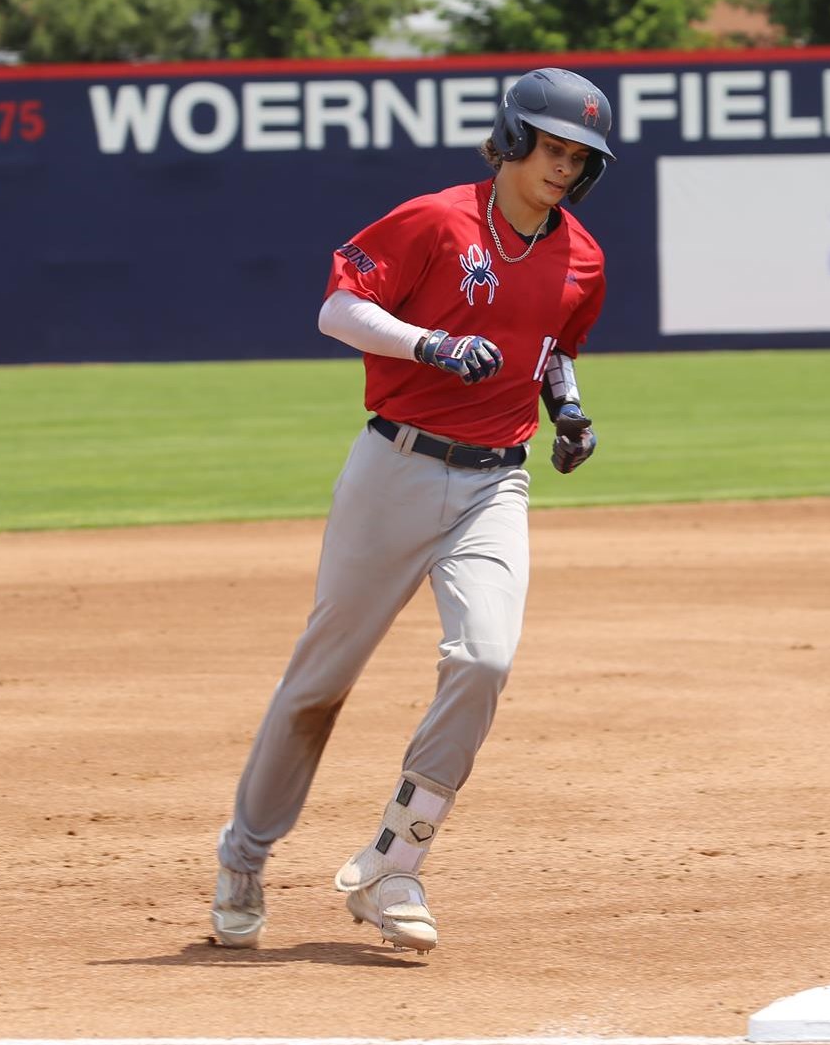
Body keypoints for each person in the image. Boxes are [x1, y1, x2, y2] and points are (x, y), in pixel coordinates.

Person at [209, 67, 613, 955]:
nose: (564, 167)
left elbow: (553, 351)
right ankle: (244, 854)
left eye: (579, 157)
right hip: (393, 466)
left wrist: (570, 411)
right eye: (551, 147)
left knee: (486, 656)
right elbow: (339, 308)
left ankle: (395, 862)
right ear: (511, 140)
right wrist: (427, 343)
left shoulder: (582, 254)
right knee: (320, 680)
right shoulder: (436, 219)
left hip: (495, 483)